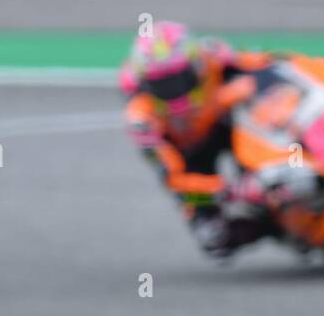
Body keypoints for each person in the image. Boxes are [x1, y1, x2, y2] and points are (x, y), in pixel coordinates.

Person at [120, 20, 282, 259]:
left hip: (228, 126)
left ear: (196, 65)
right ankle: (277, 226)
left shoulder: (214, 55)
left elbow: (269, 63)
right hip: (190, 158)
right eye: (161, 85)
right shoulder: (141, 119)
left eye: (179, 80)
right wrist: (230, 190)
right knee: (215, 240)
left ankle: (288, 166)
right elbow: (174, 180)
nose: (174, 93)